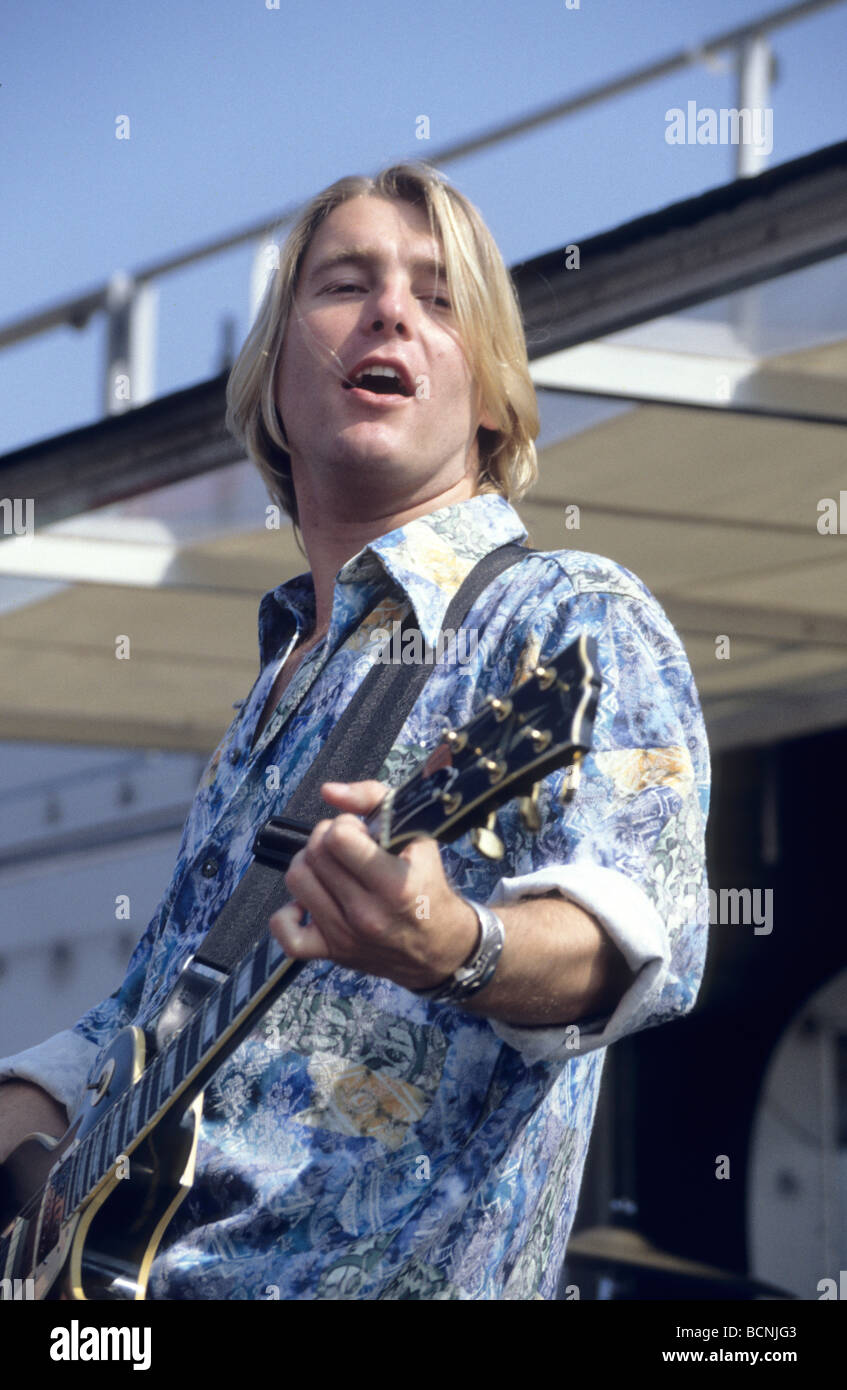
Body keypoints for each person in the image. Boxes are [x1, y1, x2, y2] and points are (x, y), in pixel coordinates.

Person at [0, 163, 710, 1300]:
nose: (390, 311)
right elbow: (158, 1008)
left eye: (439, 297)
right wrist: (27, 1112)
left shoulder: (568, 616)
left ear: (487, 392)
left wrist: (457, 941)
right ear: (273, 379)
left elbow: (634, 932)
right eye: (345, 285)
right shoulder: (282, 677)